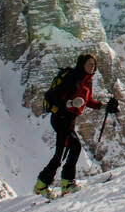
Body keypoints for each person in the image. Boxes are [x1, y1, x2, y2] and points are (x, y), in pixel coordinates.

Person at [34, 53, 117, 196]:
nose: (92, 67)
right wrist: (69, 103)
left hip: (69, 119)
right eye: (89, 64)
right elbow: (52, 96)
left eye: (94, 64)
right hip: (60, 117)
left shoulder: (86, 81)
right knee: (72, 148)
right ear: (82, 64)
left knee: (65, 152)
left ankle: (45, 184)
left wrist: (104, 106)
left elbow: (88, 101)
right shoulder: (72, 77)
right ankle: (65, 183)